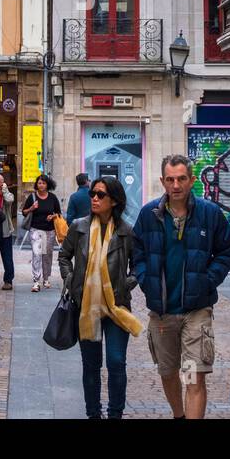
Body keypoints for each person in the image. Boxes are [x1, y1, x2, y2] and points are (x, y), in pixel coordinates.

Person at [132, 154, 230, 419]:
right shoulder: (148, 215)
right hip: (162, 311)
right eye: (170, 179)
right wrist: (147, 283)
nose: (175, 185)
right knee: (167, 373)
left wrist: (207, 281)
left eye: (181, 179)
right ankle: (179, 415)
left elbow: (225, 252)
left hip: (195, 311)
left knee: (193, 377)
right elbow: (138, 254)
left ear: (191, 181)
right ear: (162, 182)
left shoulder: (209, 214)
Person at [59, 177, 142, 419]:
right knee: (91, 366)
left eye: (100, 195)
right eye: (93, 194)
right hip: (86, 305)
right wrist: (71, 281)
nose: (94, 198)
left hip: (116, 306)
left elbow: (138, 265)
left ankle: (115, 414)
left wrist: (127, 284)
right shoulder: (79, 226)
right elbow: (64, 256)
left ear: (114, 201)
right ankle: (93, 414)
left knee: (116, 363)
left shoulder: (126, 231)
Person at [23, 174, 63, 292]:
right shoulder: (32, 197)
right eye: (39, 183)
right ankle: (36, 281)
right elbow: (24, 212)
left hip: (50, 230)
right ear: (37, 184)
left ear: (48, 184)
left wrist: (53, 216)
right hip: (35, 229)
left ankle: (46, 278)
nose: (41, 185)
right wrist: (31, 208)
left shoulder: (52, 198)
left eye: (44, 183)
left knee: (47, 255)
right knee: (36, 254)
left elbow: (59, 213)